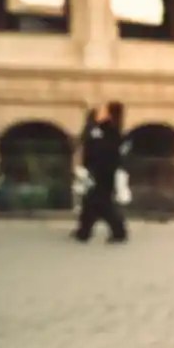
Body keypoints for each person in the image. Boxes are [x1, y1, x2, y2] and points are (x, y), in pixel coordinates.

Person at [71, 102, 129, 243]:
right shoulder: (96, 128)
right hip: (94, 169)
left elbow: (105, 151)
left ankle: (118, 232)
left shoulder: (111, 131)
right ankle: (84, 231)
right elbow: (85, 141)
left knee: (100, 202)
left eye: (102, 111)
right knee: (90, 201)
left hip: (104, 171)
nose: (99, 112)